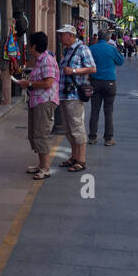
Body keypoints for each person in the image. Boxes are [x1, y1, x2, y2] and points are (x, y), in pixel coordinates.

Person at [15, 31, 58, 179]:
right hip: (36, 100)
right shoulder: (39, 60)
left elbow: (48, 83)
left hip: (44, 101)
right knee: (34, 134)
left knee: (41, 134)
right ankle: (41, 164)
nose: (28, 49)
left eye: (30, 45)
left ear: (34, 46)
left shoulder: (47, 60)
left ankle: (45, 168)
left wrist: (29, 83)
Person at [57, 25, 96, 171]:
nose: (60, 38)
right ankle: (73, 156)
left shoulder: (83, 49)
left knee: (77, 127)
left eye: (62, 35)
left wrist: (73, 71)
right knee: (69, 128)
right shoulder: (67, 51)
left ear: (70, 35)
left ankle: (81, 160)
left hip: (74, 95)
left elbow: (92, 68)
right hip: (64, 95)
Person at [87, 27, 124, 146]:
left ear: (98, 37)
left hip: (95, 82)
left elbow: (86, 63)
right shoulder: (111, 49)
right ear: (108, 38)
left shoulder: (91, 48)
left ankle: (92, 137)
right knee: (108, 111)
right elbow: (120, 61)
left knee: (94, 110)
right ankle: (108, 139)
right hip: (109, 82)